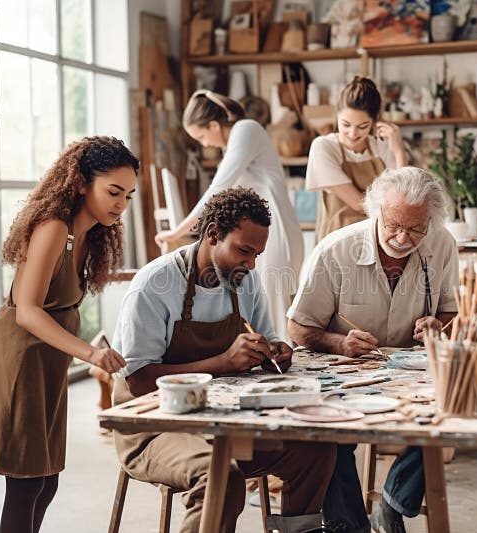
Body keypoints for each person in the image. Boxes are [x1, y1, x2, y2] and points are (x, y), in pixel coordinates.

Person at [113, 187, 335, 533]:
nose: (251, 264)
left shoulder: (244, 280)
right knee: (221, 477)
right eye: (243, 251)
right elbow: (138, 381)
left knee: (314, 452)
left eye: (257, 255)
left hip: (226, 420)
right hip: (155, 428)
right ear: (213, 233)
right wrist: (223, 362)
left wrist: (276, 352)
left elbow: (269, 338)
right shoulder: (155, 284)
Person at [0, 137, 138, 533]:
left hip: (45, 363)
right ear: (80, 184)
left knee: (45, 483)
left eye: (127, 195)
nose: (121, 204)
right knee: (27, 485)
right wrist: (91, 355)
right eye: (113, 191)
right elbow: (27, 311)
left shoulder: (87, 234)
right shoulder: (54, 227)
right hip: (19, 359)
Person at [287, 167, 459, 533]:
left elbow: (450, 312)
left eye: (415, 229)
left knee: (449, 412)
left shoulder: (442, 244)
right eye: (393, 224)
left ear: (431, 223)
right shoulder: (336, 251)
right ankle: (350, 527)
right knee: (332, 439)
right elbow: (298, 327)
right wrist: (339, 343)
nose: (401, 237)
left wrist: (438, 327)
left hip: (410, 376)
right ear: (376, 211)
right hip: (343, 376)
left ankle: (393, 502)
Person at [155, 90, 303, 341]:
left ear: (214, 124)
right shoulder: (236, 141)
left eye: (202, 136)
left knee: (275, 305)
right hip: (264, 226)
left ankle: (282, 363)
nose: (204, 144)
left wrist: (178, 231)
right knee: (265, 302)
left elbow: (218, 189)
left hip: (273, 227)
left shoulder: (246, 129)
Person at [305, 76, 407, 241]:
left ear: (374, 123)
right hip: (337, 241)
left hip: (377, 240)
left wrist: (398, 149)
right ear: (337, 116)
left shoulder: (380, 146)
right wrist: (392, 206)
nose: (353, 134)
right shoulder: (324, 147)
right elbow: (359, 204)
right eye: (345, 124)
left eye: (362, 127)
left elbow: (404, 194)